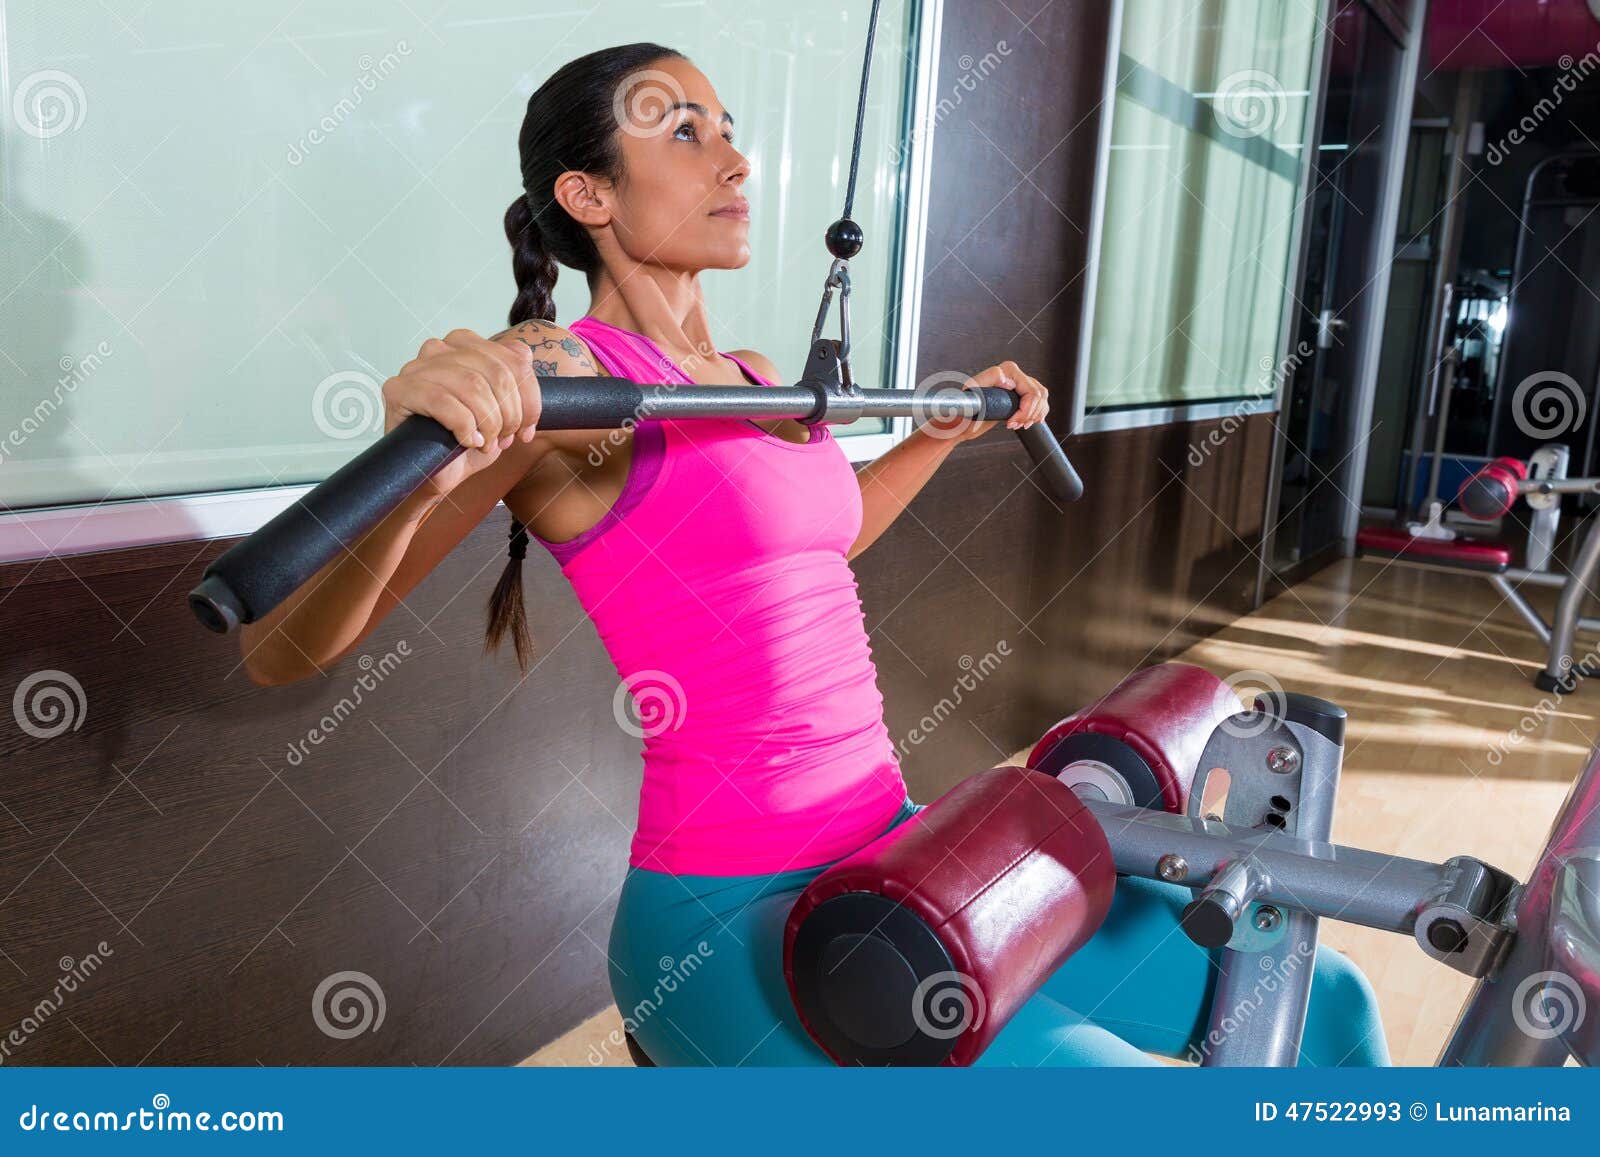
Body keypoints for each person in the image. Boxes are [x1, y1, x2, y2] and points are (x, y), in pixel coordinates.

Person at [242, 43, 1389, 1068]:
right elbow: (283, 651)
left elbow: (818, 537)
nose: (734, 162)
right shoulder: (565, 378)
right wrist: (436, 450)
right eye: (682, 131)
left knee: (1320, 1001)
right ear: (586, 195)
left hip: (892, 840)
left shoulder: (748, 377)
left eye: (730, 130)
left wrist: (937, 437)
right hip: (724, 912)